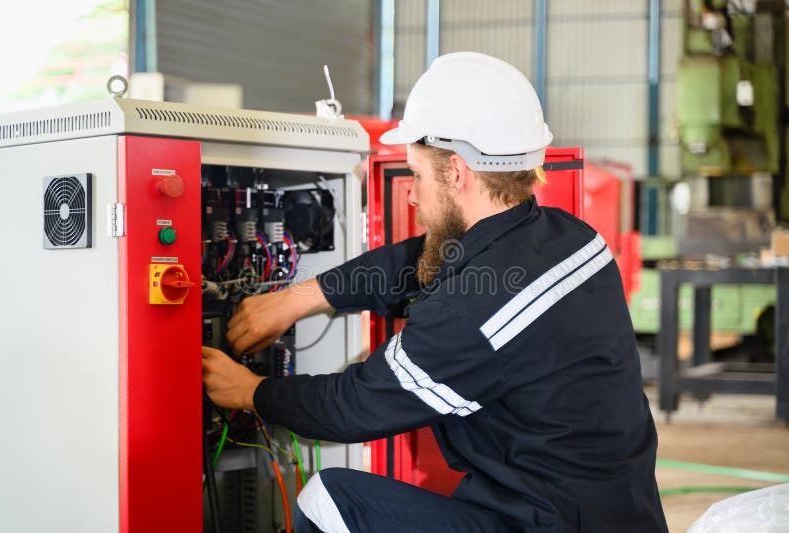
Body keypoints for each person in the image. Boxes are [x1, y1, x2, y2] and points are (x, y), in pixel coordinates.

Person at [202, 52, 668, 532]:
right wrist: (300, 297)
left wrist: (252, 391)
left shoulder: (469, 315)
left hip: (545, 524)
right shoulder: (573, 239)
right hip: (617, 512)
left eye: (416, 175)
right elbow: (422, 263)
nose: (409, 194)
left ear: (456, 172)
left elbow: (354, 406)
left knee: (330, 498)